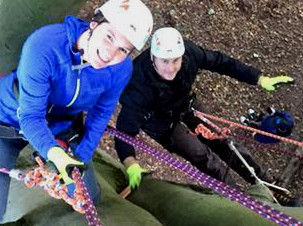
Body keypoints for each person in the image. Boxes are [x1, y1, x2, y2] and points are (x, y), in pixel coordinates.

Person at [0, 0, 154, 226]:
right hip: (7, 121)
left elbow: (101, 113)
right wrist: (56, 155)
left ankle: (58, 158)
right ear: (94, 24)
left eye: (124, 49)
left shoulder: (120, 69)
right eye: (110, 36)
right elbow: (30, 117)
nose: (110, 54)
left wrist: (80, 156)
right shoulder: (45, 46)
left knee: (88, 199)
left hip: (60, 126)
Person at [114, 26, 293, 191]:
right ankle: (240, 199)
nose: (170, 68)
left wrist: (260, 79)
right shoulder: (137, 84)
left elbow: (222, 63)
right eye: (165, 62)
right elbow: (125, 129)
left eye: (175, 60)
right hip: (161, 123)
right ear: (153, 57)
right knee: (204, 158)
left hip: (186, 104)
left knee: (224, 141)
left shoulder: (190, 55)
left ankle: (266, 183)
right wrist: (130, 162)